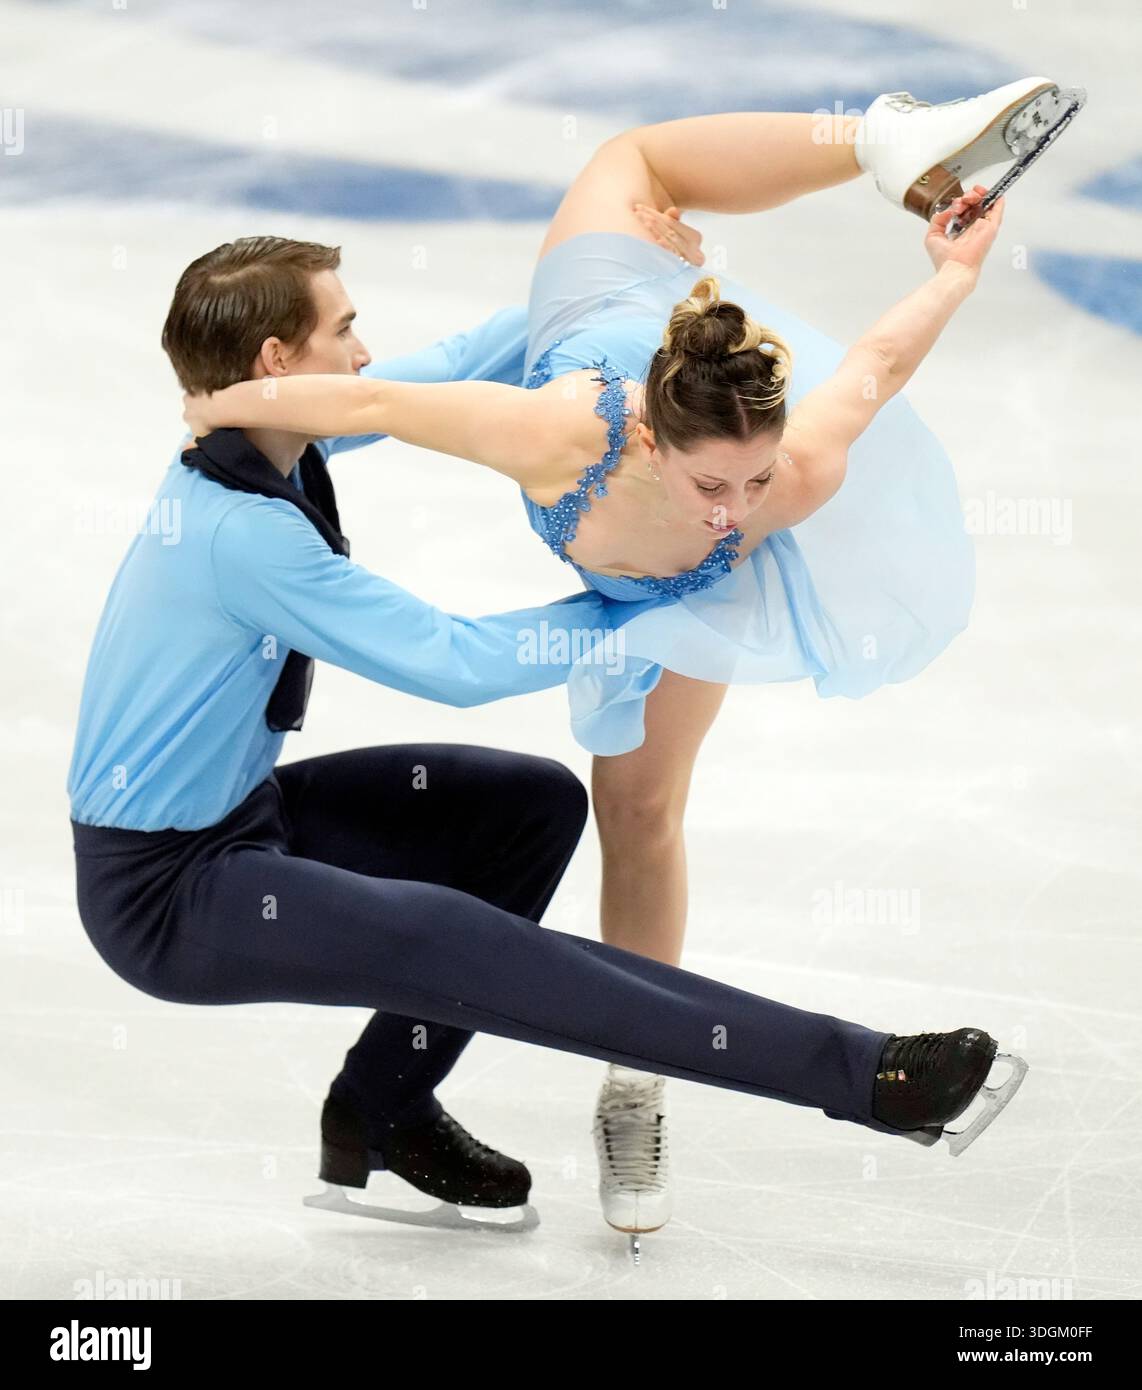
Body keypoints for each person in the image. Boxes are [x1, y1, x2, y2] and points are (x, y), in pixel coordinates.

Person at [184, 77, 1073, 1239]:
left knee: (639, 806)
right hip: (598, 306)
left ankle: (634, 1086)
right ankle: (877, 134)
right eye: (712, 487)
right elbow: (388, 403)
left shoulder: (781, 475)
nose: (732, 513)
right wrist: (216, 407)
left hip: (664, 494)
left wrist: (950, 274)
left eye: (752, 486)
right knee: (631, 159)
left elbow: (876, 368)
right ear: (650, 439)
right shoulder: (554, 435)